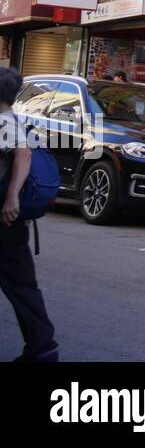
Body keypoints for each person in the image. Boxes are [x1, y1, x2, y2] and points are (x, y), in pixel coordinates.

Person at [0, 66, 58, 363]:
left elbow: (24, 153)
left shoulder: (4, 122)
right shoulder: (12, 119)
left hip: (4, 218)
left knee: (21, 284)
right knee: (22, 284)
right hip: (13, 221)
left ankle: (42, 346)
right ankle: (42, 347)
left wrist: (11, 197)